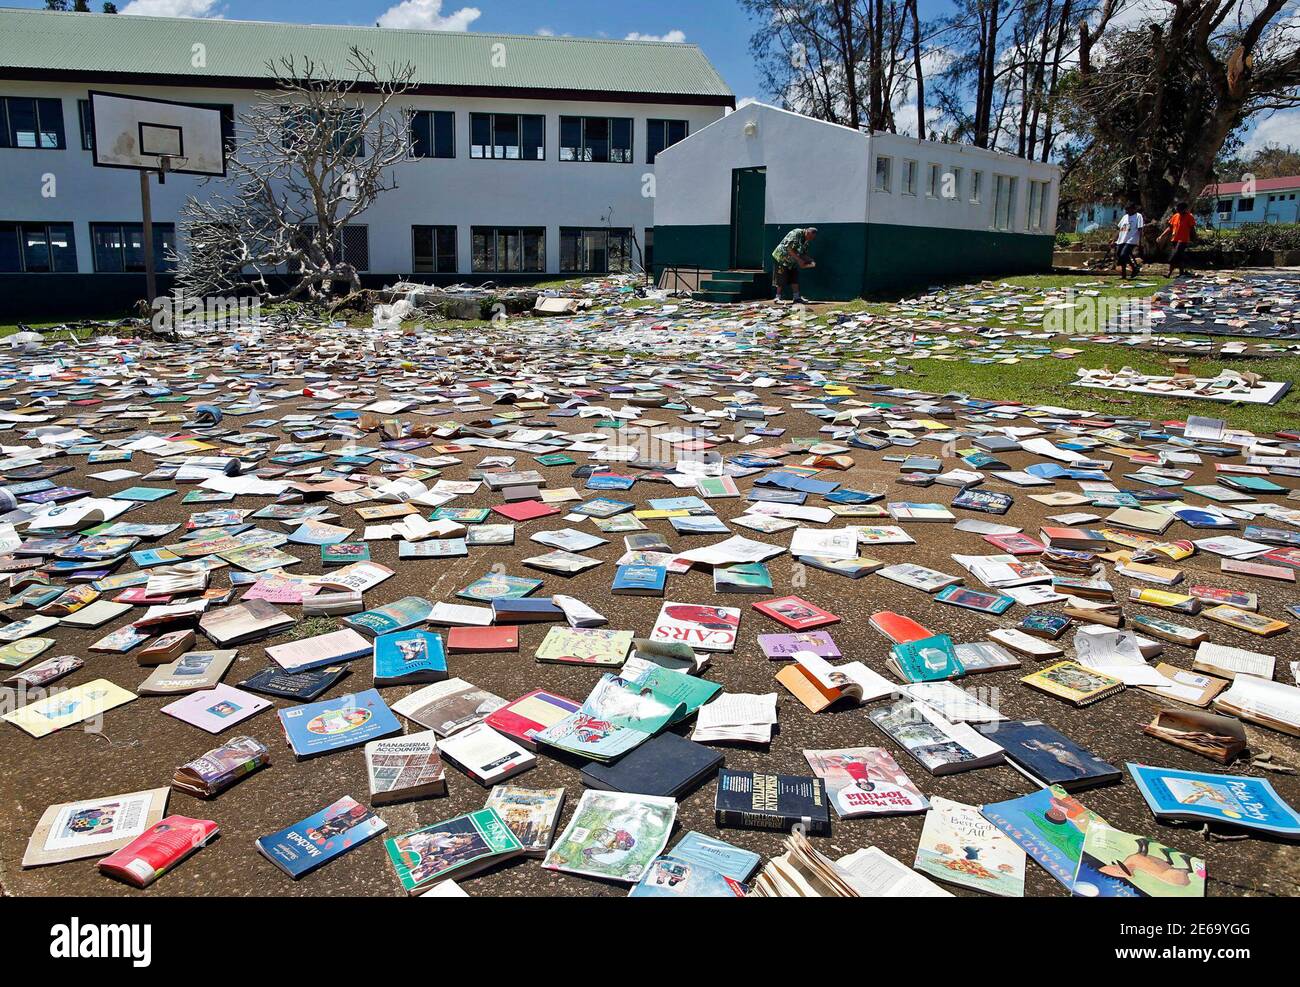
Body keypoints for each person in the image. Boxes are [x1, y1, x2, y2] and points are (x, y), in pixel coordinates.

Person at [771, 227, 817, 303]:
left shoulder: (806, 241)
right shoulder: (796, 233)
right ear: (807, 232)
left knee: (794, 277)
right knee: (781, 277)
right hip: (781, 257)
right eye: (810, 237)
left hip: (792, 261)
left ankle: (796, 298)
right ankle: (777, 297)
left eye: (813, 238)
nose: (811, 239)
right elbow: (789, 249)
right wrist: (799, 260)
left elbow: (803, 254)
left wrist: (810, 260)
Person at [1157, 201, 1196, 276]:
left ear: (1184, 209)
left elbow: (1192, 229)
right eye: (1177, 208)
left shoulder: (1189, 216)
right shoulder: (1175, 216)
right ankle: (1181, 273)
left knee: (1174, 255)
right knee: (1179, 256)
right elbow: (1170, 228)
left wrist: (1194, 238)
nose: (1178, 209)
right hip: (1174, 239)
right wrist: (1161, 236)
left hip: (1183, 240)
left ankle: (1169, 273)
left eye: (1179, 208)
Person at [1115, 203, 1144, 278]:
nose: (1127, 211)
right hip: (1122, 239)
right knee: (1119, 254)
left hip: (1132, 239)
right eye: (1126, 210)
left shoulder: (1138, 216)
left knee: (1123, 254)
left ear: (1133, 209)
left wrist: (1140, 241)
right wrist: (1114, 239)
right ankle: (1125, 273)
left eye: (1128, 210)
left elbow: (1140, 229)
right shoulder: (1124, 217)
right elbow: (1119, 229)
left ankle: (1134, 268)